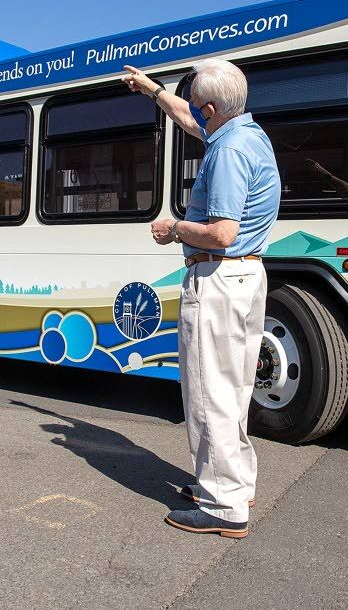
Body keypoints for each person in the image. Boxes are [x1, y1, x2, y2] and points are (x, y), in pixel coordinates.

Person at [122, 59, 281, 539]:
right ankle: (236, 485)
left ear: (212, 108)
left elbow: (222, 233)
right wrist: (153, 90)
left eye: (197, 105)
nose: (192, 111)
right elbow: (190, 120)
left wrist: (174, 228)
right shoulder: (248, 135)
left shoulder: (226, 152)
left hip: (217, 277)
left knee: (209, 393)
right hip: (246, 277)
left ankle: (222, 506)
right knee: (233, 390)